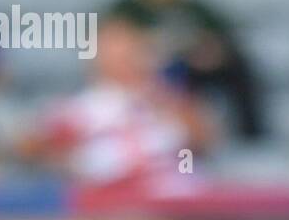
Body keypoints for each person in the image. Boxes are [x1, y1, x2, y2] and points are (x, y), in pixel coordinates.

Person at [108, 0, 264, 140]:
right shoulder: (125, 9)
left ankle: (251, 140)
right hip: (143, 85)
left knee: (236, 65)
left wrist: (203, 54)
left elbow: (221, 47)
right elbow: (110, 56)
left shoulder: (197, 8)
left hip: (189, 84)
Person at [20, 15, 213, 190]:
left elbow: (204, 139)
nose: (121, 57)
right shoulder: (79, 108)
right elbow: (30, 147)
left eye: (129, 47)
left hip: (176, 205)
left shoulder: (170, 101)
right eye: (111, 48)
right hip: (111, 210)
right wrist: (66, 158)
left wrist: (160, 99)